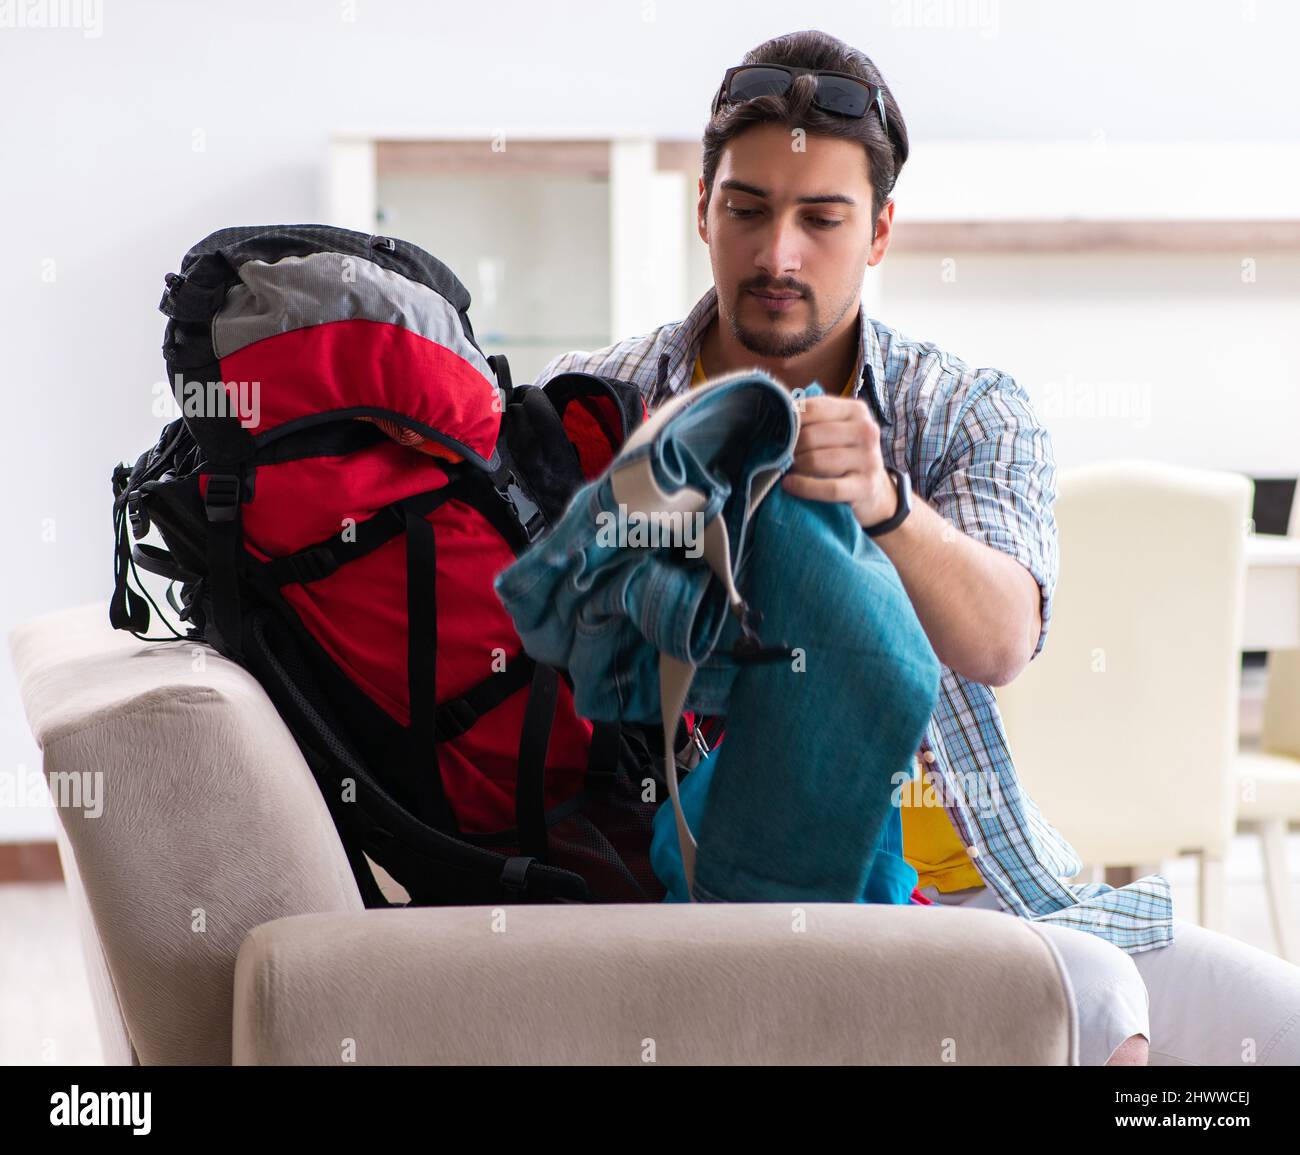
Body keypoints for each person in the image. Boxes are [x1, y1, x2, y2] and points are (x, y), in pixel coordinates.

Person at [534, 28, 1300, 1065]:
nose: (778, 254)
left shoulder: (965, 410)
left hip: (999, 884)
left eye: (822, 218)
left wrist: (886, 503)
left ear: (881, 230)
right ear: (701, 208)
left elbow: (1002, 639)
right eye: (748, 209)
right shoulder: (597, 403)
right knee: (1098, 1003)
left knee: (1274, 1027)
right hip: (738, 892)